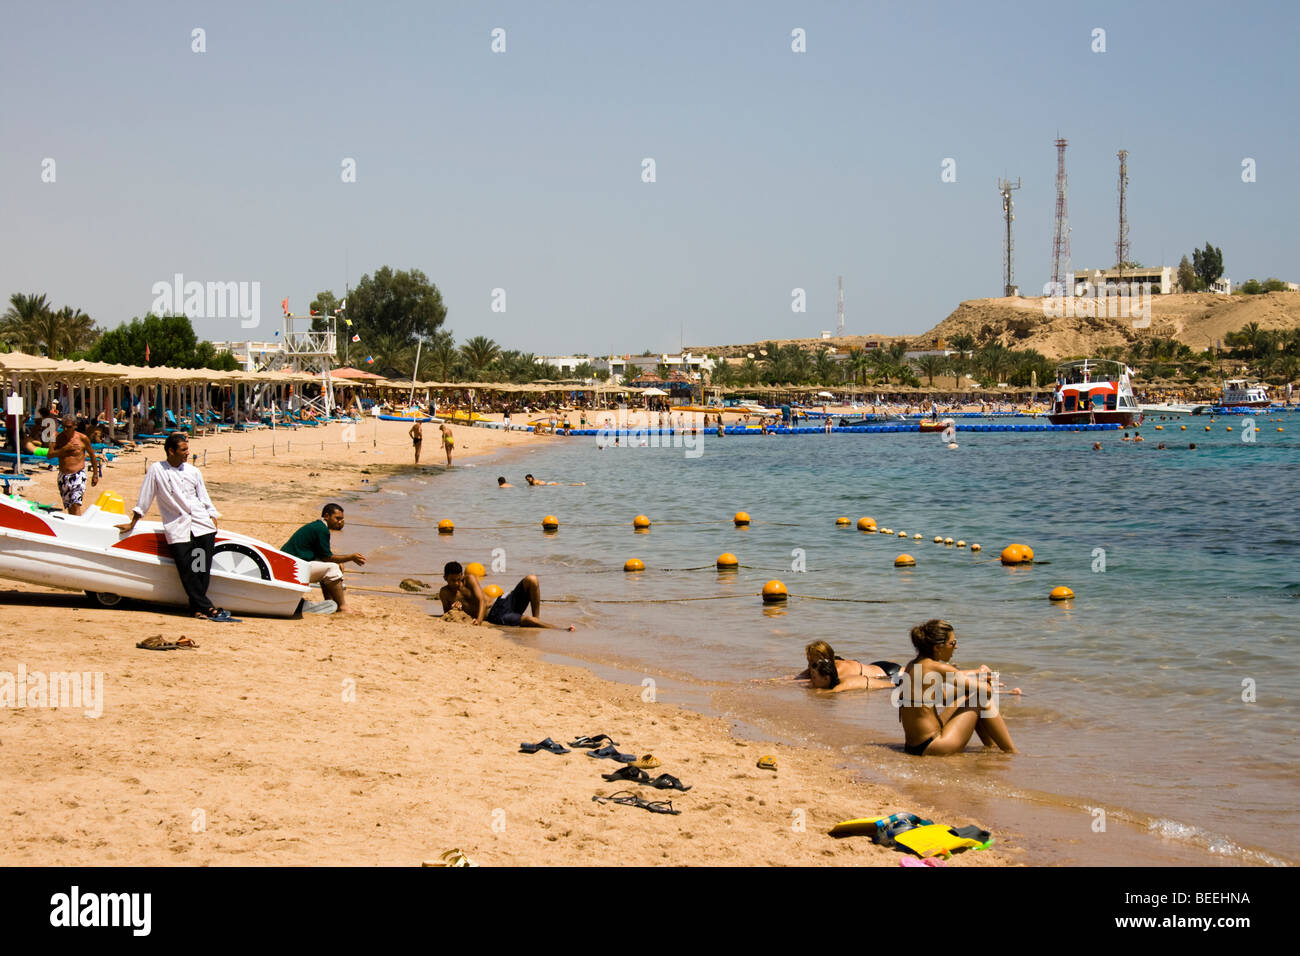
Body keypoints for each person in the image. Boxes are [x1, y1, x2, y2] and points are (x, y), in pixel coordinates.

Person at [116, 432, 233, 621]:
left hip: (202, 526)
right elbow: (145, 497)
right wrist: (133, 522)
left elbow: (203, 497)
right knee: (187, 570)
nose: (187, 453)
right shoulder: (157, 470)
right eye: (183, 449)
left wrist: (212, 515)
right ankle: (209, 608)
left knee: (201, 569)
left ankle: (196, 609)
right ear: (171, 451)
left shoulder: (193, 471)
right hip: (177, 527)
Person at [898, 619, 1017, 756]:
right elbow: (987, 691)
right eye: (952, 643)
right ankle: (1011, 751)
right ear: (937, 647)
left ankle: (992, 747)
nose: (956, 647)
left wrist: (976, 676)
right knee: (982, 698)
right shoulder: (938, 667)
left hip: (914, 746)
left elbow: (942, 697)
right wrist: (986, 682)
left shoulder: (913, 665)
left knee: (968, 697)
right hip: (934, 746)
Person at [438, 561, 574, 630]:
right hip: (495, 615)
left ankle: (537, 617)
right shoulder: (444, 593)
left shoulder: (469, 579)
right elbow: (447, 613)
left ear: (462, 575)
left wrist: (478, 621)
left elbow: (481, 601)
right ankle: (560, 629)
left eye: (458, 579)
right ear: (445, 578)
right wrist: (455, 609)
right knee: (527, 621)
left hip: (502, 601)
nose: (456, 583)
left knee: (532, 579)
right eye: (452, 580)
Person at [281, 503, 366, 612]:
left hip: (290, 564)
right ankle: (342, 607)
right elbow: (327, 557)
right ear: (326, 516)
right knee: (332, 569)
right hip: (292, 568)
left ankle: (329, 601)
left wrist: (338, 561)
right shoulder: (322, 529)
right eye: (337, 518)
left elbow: (322, 554)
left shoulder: (318, 526)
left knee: (329, 567)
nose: (340, 522)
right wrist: (351, 557)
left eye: (342, 519)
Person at [793, 640, 901, 692]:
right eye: (809, 661)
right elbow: (799, 677)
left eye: (812, 662)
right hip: (873, 666)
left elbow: (815, 682)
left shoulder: (837, 670)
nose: (809, 665)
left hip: (886, 672)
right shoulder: (820, 667)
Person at [46, 415, 100, 515]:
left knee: (76, 505)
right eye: (64, 426)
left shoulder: (82, 438)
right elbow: (49, 455)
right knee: (70, 507)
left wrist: (95, 474)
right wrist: (64, 450)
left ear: (75, 426)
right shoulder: (58, 438)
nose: (66, 429)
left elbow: (92, 456)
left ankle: (80, 528)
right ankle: (74, 526)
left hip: (78, 475)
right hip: (63, 476)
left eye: (69, 427)